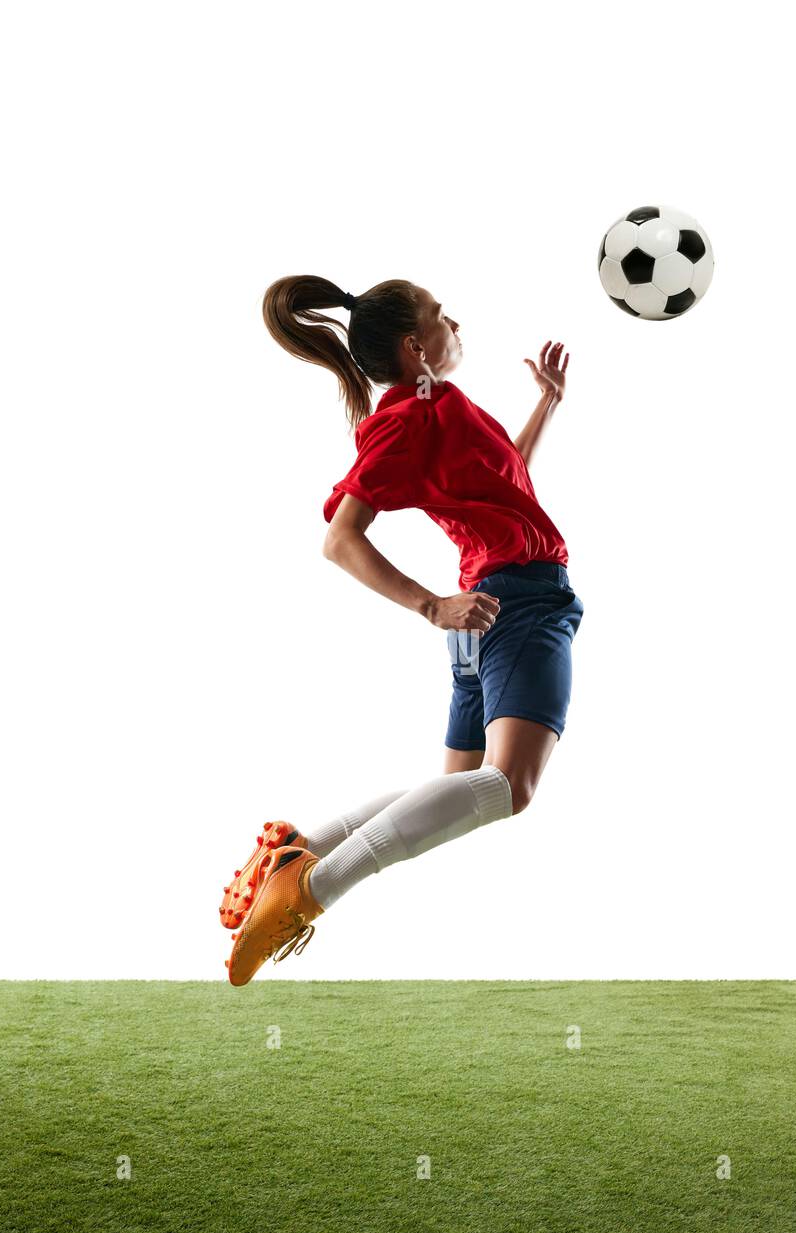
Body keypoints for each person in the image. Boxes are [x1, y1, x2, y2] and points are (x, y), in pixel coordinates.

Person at [219, 276, 583, 985]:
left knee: (458, 787)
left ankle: (303, 845)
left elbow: (499, 477)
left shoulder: (435, 407)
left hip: (489, 606)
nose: (455, 322)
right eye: (441, 317)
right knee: (509, 785)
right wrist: (429, 605)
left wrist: (546, 404)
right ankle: (311, 889)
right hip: (517, 604)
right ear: (417, 346)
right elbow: (340, 538)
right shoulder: (410, 419)